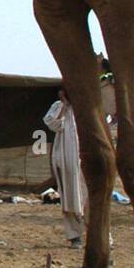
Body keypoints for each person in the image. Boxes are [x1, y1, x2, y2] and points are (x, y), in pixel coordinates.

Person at [44, 87, 88, 247]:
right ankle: (74, 235)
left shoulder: (86, 107)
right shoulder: (58, 106)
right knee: (69, 198)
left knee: (90, 198)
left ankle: (100, 236)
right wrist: (64, 105)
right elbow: (53, 124)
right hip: (66, 159)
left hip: (85, 159)